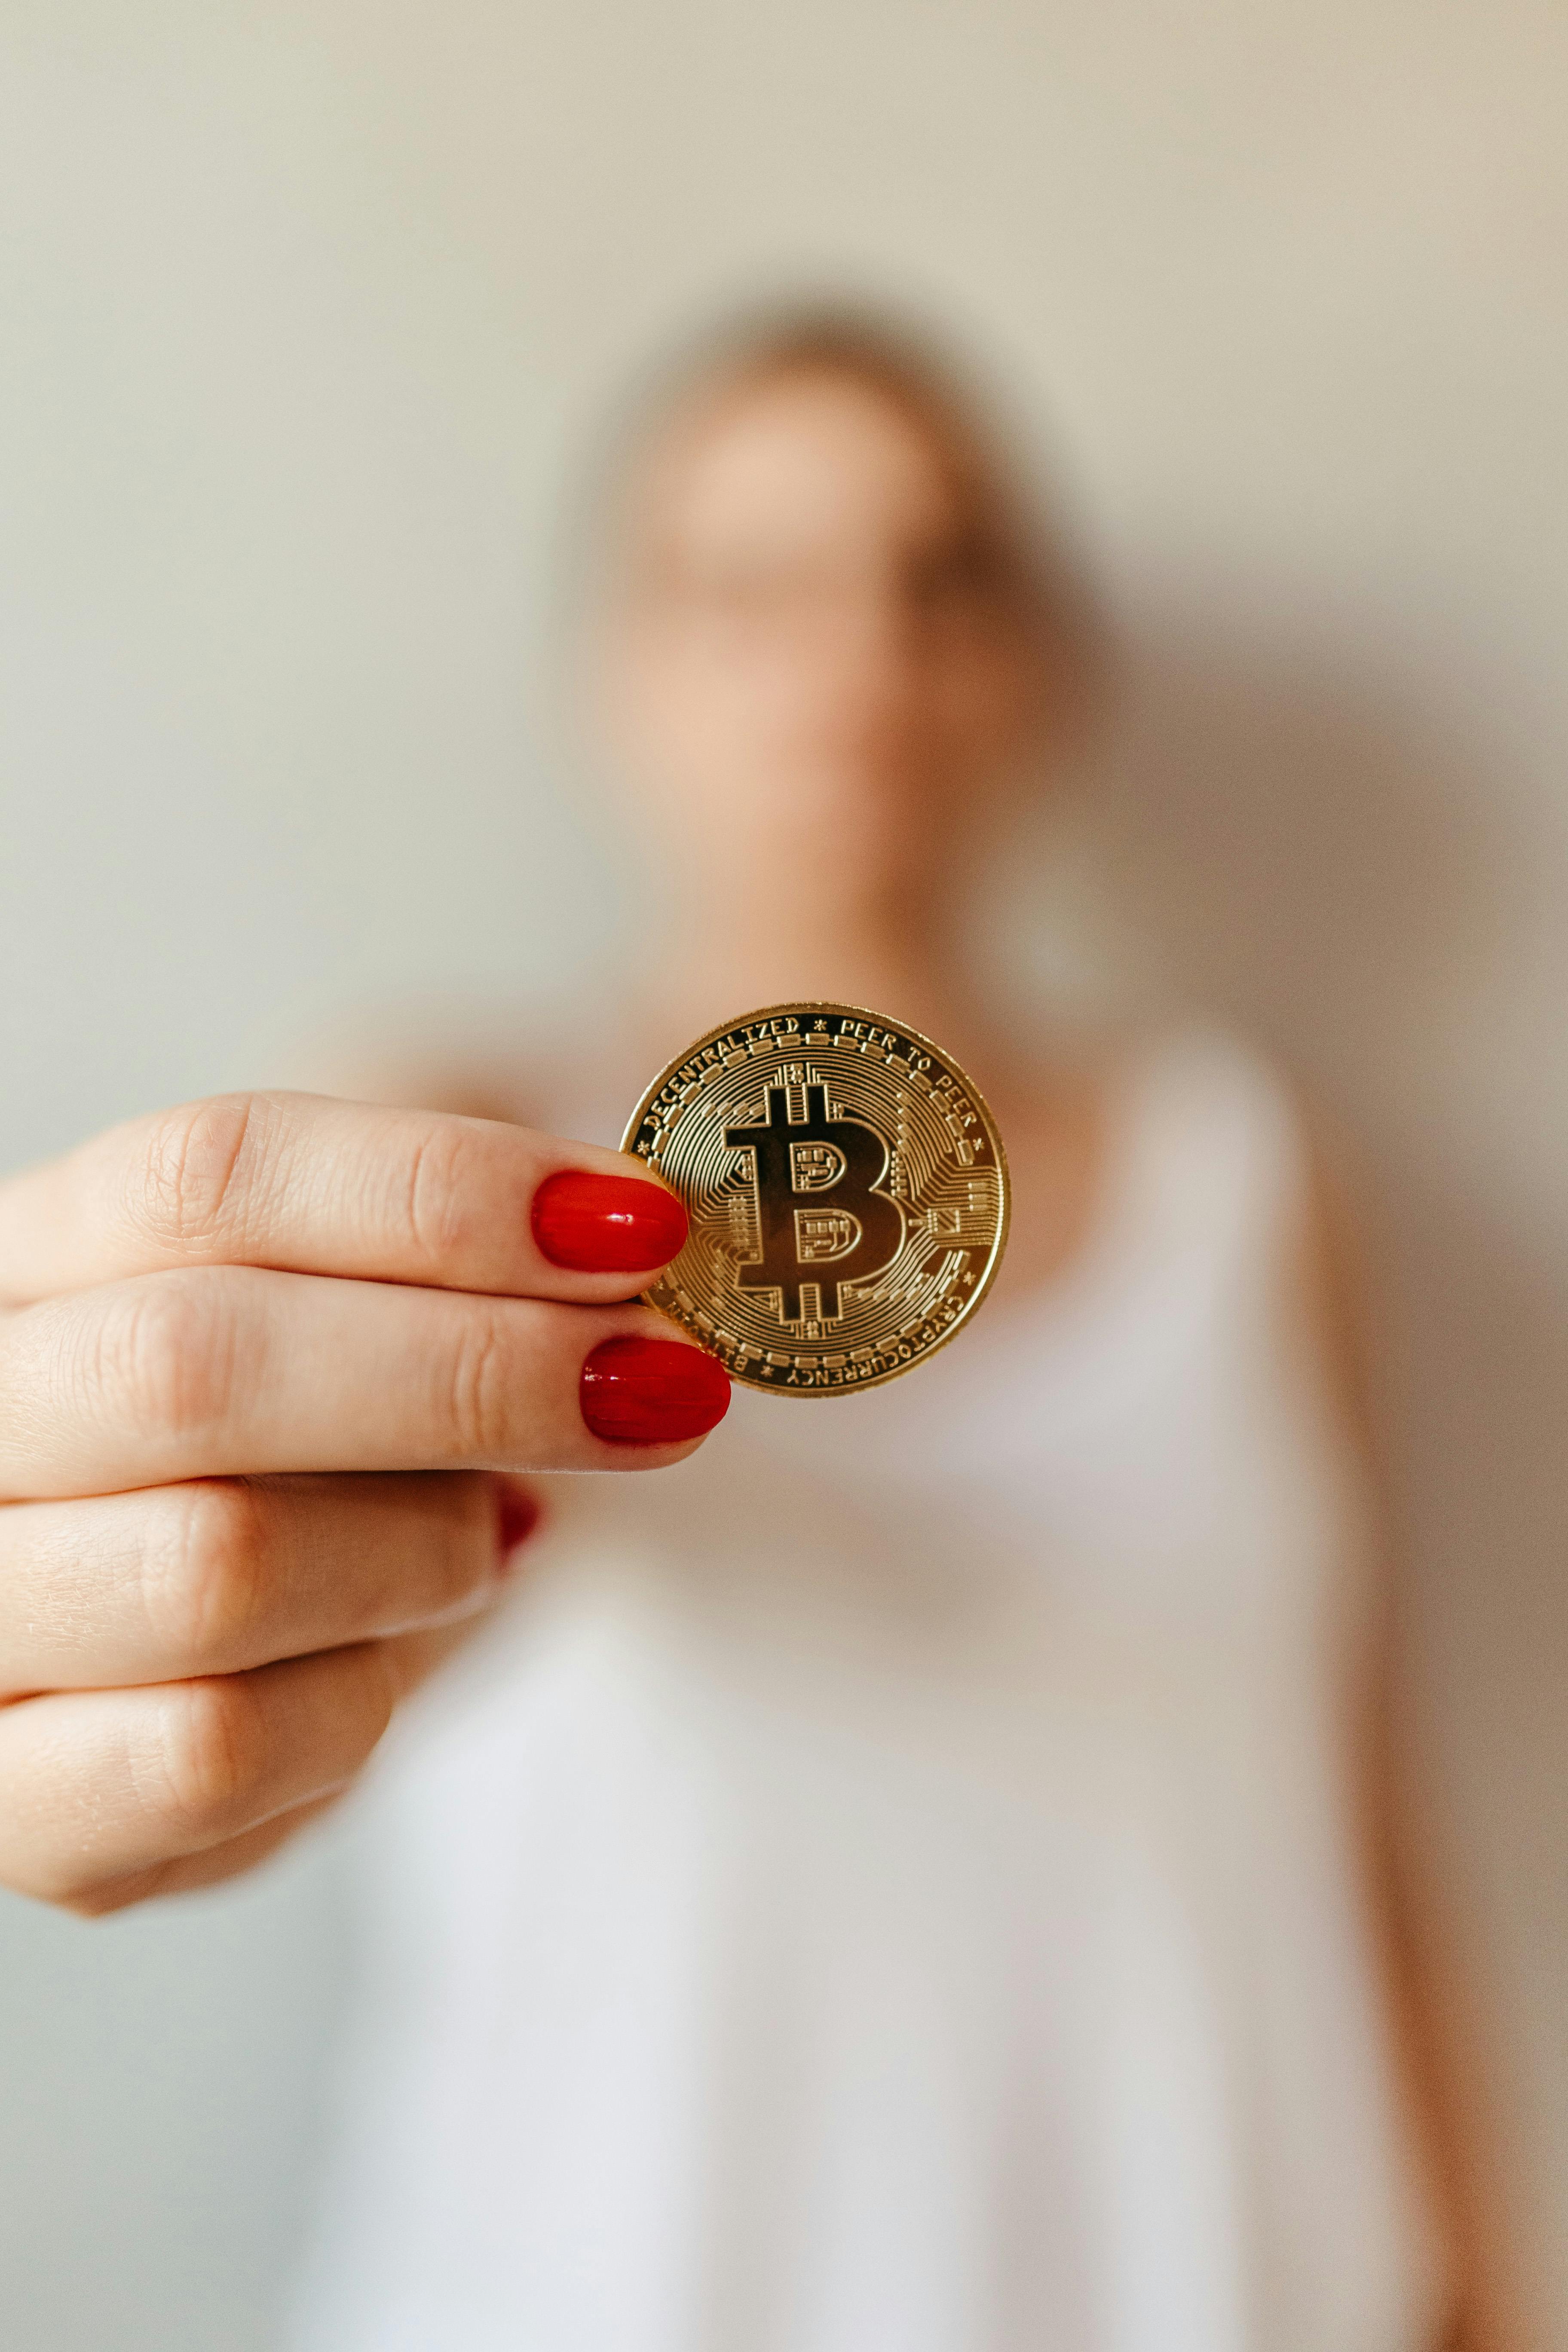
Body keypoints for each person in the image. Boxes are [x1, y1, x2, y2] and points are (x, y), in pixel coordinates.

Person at [0, 311, 1491, 2348]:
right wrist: (156, 1713)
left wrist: (1477, 2280)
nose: (858, 656)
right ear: (609, 677)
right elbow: (311, 1669)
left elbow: (1356, 1816)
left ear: (1039, 668)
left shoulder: (1245, 1172)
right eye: (751, 581)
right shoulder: (452, 1132)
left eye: (939, 573)